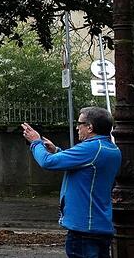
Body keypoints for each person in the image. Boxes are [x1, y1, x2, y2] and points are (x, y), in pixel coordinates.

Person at [21, 107, 120, 258]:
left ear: (90, 127)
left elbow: (47, 162)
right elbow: (83, 166)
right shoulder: (111, 148)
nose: (77, 127)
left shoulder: (90, 148)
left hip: (84, 229)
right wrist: (56, 150)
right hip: (100, 225)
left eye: (79, 123)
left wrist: (36, 142)